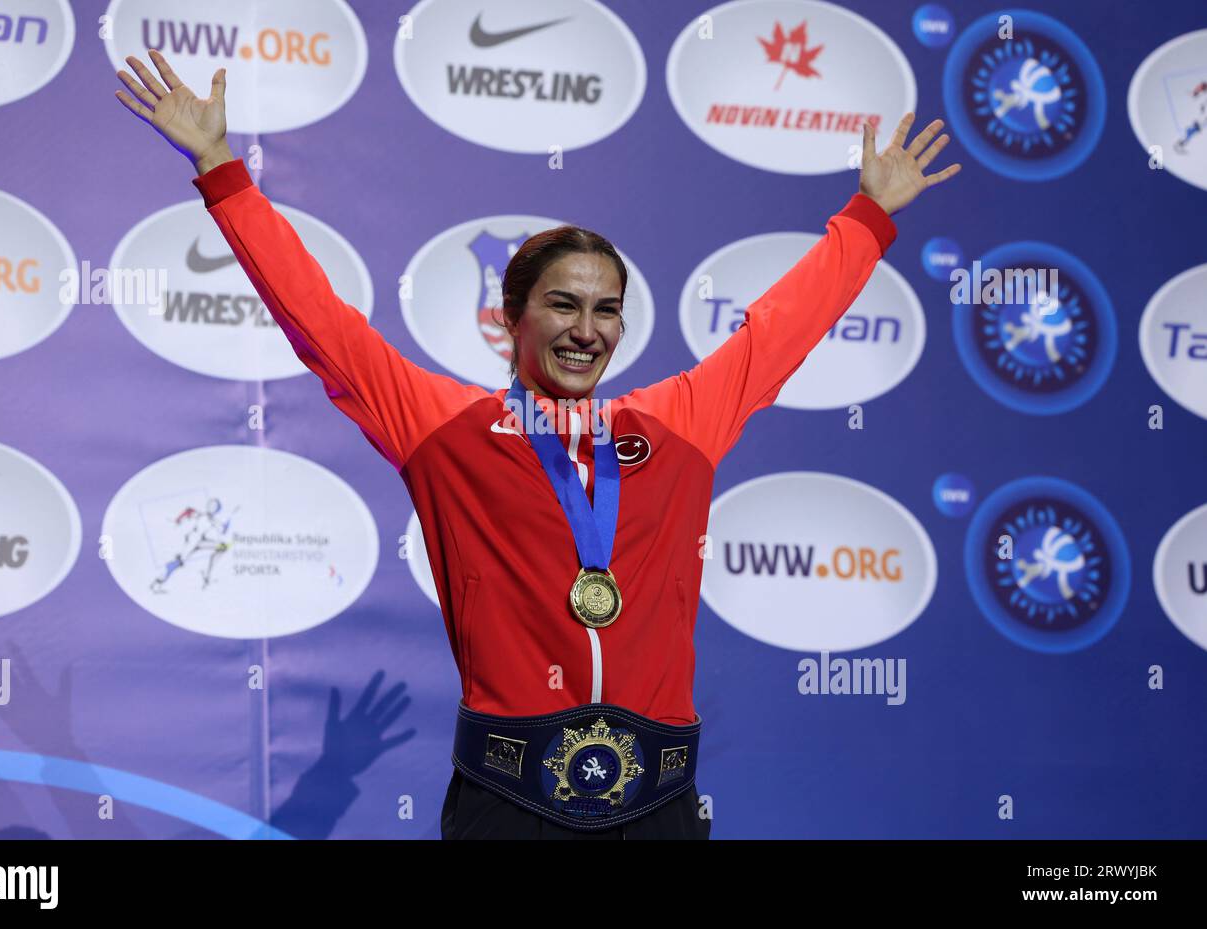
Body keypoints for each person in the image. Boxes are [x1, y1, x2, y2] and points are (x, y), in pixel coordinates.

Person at [114, 49, 960, 840]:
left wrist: (867, 217)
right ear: (510, 318)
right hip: (506, 803)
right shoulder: (444, 430)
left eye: (606, 310)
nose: (586, 331)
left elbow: (777, 334)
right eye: (562, 305)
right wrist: (222, 173)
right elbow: (322, 323)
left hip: (658, 805)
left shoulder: (677, 425)